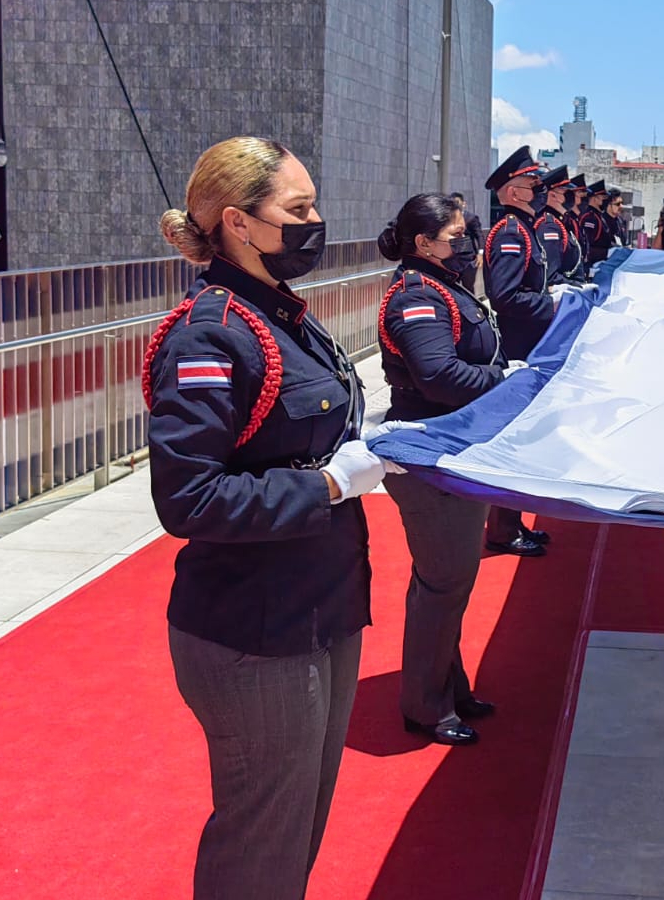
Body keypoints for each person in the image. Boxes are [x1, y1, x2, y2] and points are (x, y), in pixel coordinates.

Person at [148, 136, 386, 900]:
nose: (314, 223)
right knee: (262, 840)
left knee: (299, 827)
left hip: (322, 605)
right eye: (298, 209)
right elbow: (188, 497)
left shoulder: (282, 315)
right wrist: (328, 487)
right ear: (238, 223)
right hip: (256, 628)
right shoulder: (211, 332)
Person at [377, 192, 520, 746]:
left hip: (456, 448)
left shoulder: (444, 285)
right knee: (443, 584)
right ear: (423, 243)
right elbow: (438, 376)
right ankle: (426, 707)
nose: (468, 244)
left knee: (450, 583)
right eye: (456, 236)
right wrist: (505, 381)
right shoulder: (417, 295)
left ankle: (448, 687)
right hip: (430, 456)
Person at [480, 146, 551, 558]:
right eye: (531, 183)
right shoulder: (510, 232)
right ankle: (503, 529)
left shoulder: (524, 228)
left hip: (531, 342)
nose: (538, 189)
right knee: (513, 437)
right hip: (518, 344)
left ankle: (511, 521)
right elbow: (505, 296)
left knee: (523, 436)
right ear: (512, 191)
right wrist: (551, 304)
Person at [535, 166, 583, 286]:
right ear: (553, 195)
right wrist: (577, 286)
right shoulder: (549, 226)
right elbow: (551, 275)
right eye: (566, 191)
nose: (571, 196)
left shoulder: (560, 222)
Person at [450, 191, 483, 293]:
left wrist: (480, 253)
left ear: (464, 203)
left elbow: (479, 235)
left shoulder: (471, 218)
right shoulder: (448, 219)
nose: (455, 205)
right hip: (453, 257)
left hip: (469, 258)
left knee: (468, 286)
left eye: (457, 202)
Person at [579, 180, 612, 269]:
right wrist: (607, 253)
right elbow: (587, 247)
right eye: (603, 197)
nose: (606, 200)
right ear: (594, 198)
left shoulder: (599, 216)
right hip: (592, 265)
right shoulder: (590, 218)